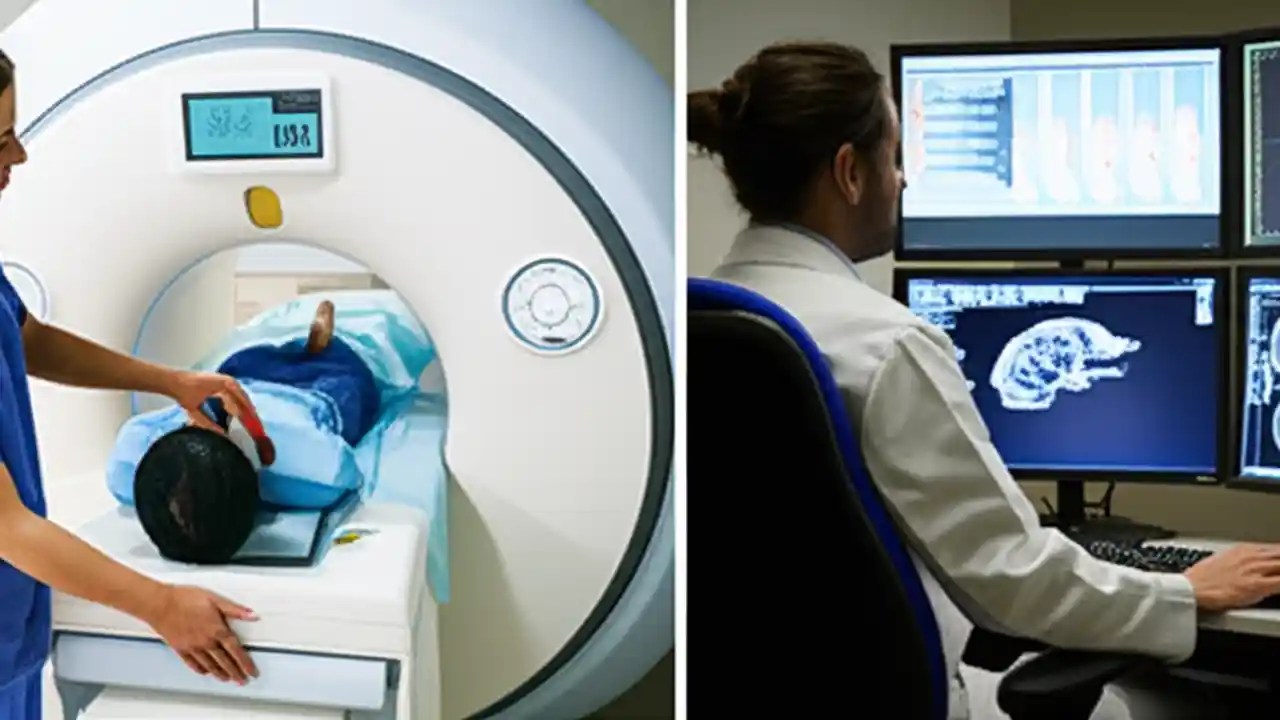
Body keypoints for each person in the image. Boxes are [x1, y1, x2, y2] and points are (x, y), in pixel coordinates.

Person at [689, 41, 1280, 720]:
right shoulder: (887, 343)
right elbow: (1010, 574)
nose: (904, 181)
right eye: (897, 157)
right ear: (850, 172)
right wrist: (1185, 592)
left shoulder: (704, 316)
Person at [0, 52, 261, 717]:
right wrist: (164, 606)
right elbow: (6, 527)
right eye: (0, 141)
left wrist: (170, 380)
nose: (22, 155)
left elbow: (24, 336)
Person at [115, 300, 383, 565]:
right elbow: (348, 471)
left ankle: (311, 345)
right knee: (351, 386)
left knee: (233, 375)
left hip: (243, 380)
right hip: (309, 386)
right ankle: (319, 347)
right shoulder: (305, 475)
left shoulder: (131, 465)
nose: (193, 423)